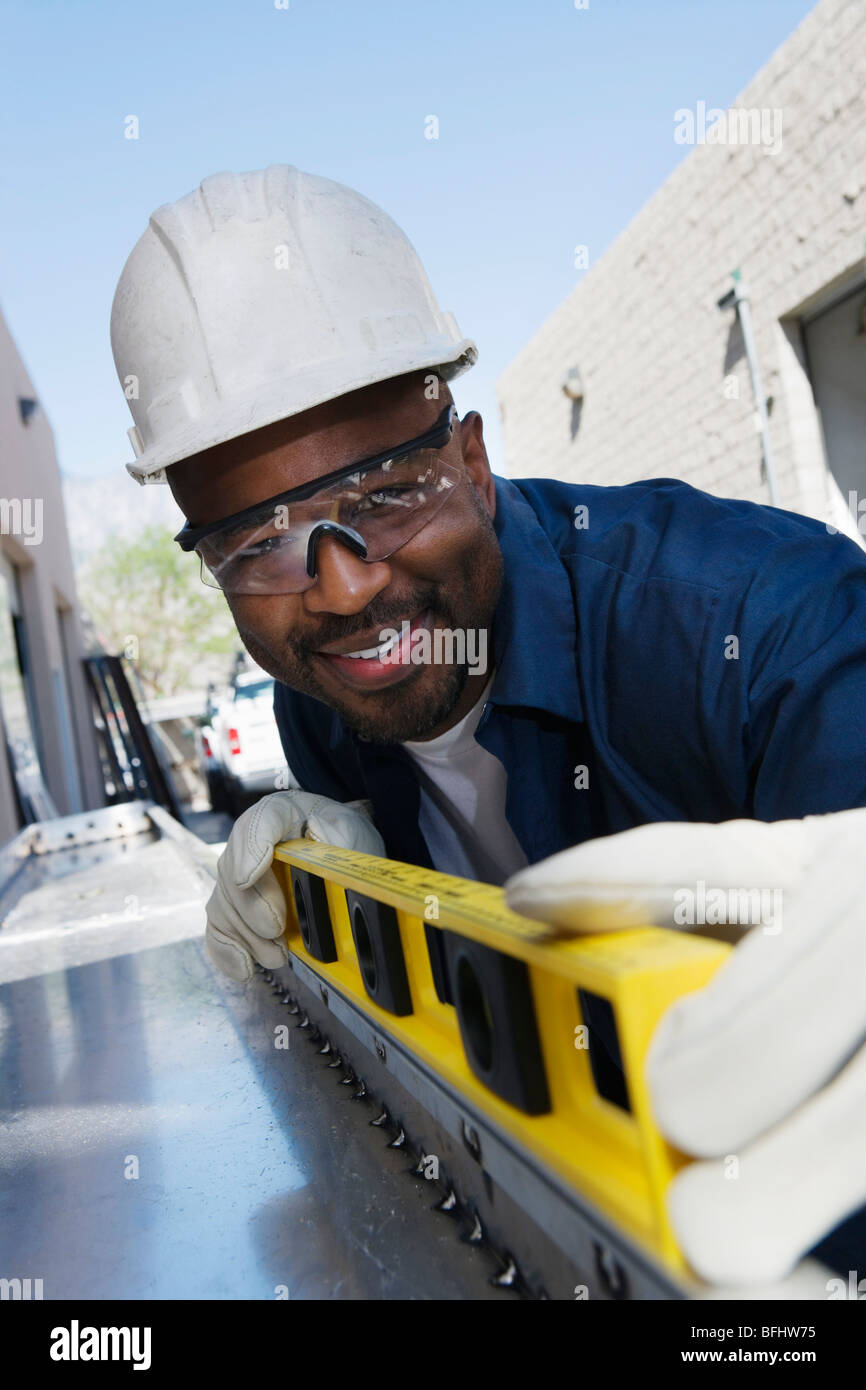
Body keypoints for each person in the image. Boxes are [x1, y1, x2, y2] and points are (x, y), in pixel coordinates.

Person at [111, 164, 866, 1288]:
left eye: (381, 494)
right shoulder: (323, 710)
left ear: (470, 459)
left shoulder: (758, 630)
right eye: (257, 543)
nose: (344, 591)